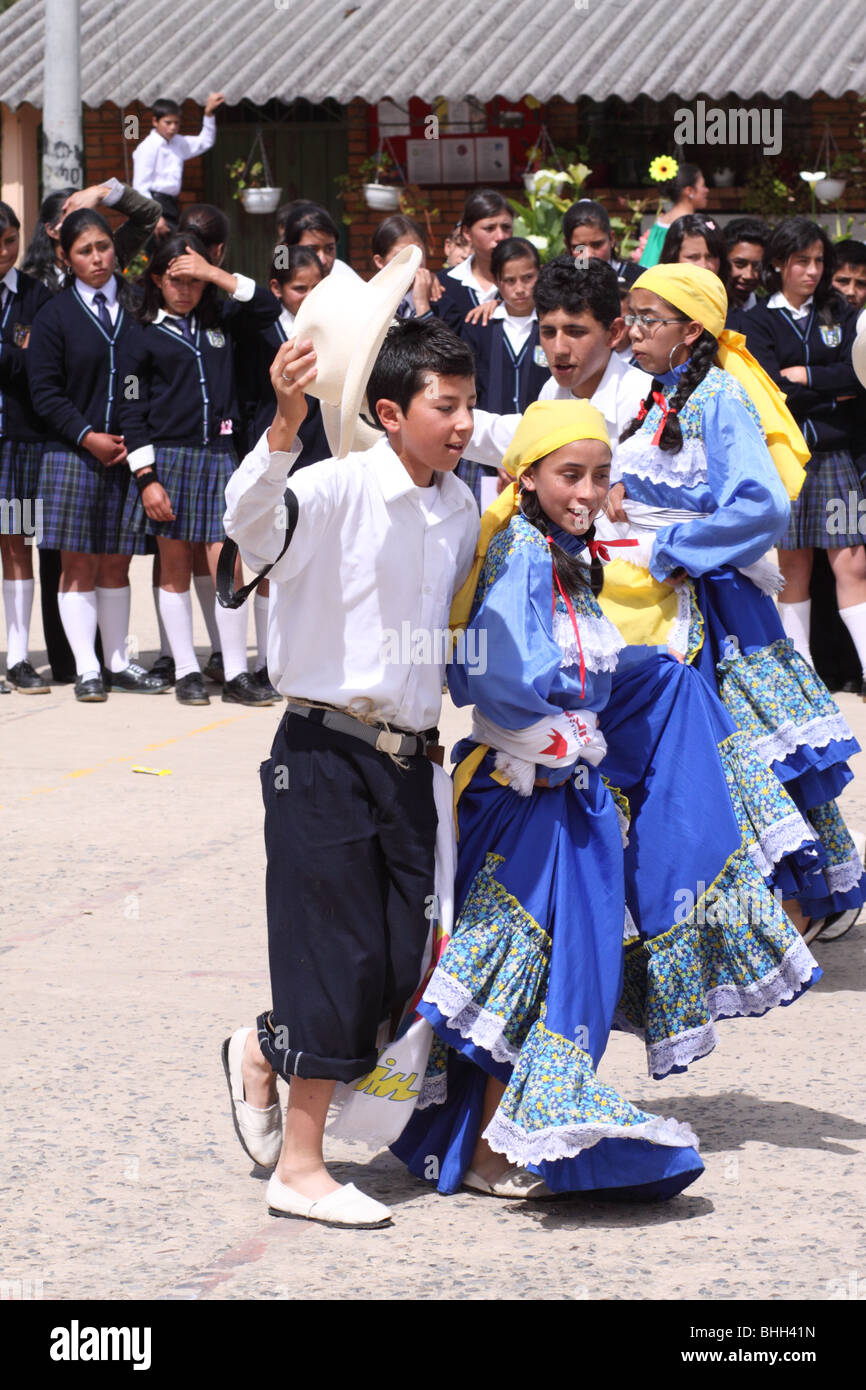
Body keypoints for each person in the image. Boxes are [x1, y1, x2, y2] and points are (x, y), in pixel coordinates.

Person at [392, 400, 705, 1199]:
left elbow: (578, 666)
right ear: (525, 478)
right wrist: (552, 734)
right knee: (517, 972)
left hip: (565, 798)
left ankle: (494, 1142)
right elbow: (489, 669)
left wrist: (642, 678)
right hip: (521, 796)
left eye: (601, 475)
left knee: (540, 975)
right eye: (571, 474)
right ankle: (284, 1058)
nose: (590, 490)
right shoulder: (525, 554)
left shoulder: (566, 552)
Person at [221, 300, 480, 1228]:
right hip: (323, 752)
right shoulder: (331, 490)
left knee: (399, 966)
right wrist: (285, 424)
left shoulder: (462, 508)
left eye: (468, 405)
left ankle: (261, 1046)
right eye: (444, 406)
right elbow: (250, 523)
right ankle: (301, 1167)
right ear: (388, 413)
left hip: (410, 763)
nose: (462, 424)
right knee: (337, 953)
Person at [595, 261, 865, 941]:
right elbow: (672, 482)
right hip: (670, 600)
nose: (633, 330)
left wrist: (672, 544)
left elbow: (763, 504)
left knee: (745, 753)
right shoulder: (657, 395)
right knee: (704, 759)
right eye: (630, 315)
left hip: (716, 606)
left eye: (649, 320)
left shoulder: (718, 398)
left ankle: (796, 902)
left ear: (690, 331)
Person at [117, 232, 281, 707]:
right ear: (156, 281)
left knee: (225, 567)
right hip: (167, 461)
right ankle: (186, 669)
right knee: (173, 568)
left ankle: (234, 672)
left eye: (194, 281)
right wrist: (146, 479)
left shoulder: (222, 321)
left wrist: (213, 273)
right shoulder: (139, 336)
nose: (185, 290)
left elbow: (267, 306)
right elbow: (130, 410)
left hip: (219, 458)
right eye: (176, 280)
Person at [26, 208, 171, 701]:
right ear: (66, 257)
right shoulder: (55, 315)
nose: (97, 258)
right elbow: (44, 392)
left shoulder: (136, 307)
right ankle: (87, 668)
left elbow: (138, 382)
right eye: (85, 251)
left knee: (116, 563)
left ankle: (117, 662)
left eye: (103, 247)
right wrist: (88, 435)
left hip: (128, 454)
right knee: (78, 566)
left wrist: (132, 439)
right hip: (71, 456)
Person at [743, 218, 866, 696]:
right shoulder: (757, 320)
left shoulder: (840, 311)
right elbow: (771, 390)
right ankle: (801, 676)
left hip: (835, 459)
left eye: (819, 261)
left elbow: (859, 377)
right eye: (802, 261)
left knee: (852, 562)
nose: (813, 271)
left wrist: (810, 378)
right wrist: (830, 389)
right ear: (779, 264)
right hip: (786, 462)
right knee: (791, 564)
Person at [462, 258, 648, 487]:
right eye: (548, 332)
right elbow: (504, 436)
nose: (558, 349)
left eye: (575, 332)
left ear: (614, 333)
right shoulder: (553, 390)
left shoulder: (646, 402)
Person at [0, 200, 53, 692]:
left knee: (17, 546)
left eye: (11, 241)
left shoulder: (36, 295)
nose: (3, 251)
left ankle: (18, 656)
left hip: (19, 443)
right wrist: (10, 351)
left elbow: (31, 365)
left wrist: (16, 355)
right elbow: (14, 356)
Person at [132, 94, 225, 236]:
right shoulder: (148, 147)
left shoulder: (178, 142)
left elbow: (205, 142)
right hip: (154, 204)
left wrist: (208, 114)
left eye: (176, 123)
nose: (173, 127)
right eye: (168, 123)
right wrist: (155, 217)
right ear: (155, 121)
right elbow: (140, 186)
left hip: (172, 205)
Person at [435, 189, 513, 330]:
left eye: (506, 227)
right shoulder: (443, 284)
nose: (500, 236)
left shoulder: (529, 283)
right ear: (467, 233)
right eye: (490, 228)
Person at [371, 214, 442, 318]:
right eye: (403, 256)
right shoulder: (367, 305)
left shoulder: (441, 304)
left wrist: (422, 305)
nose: (414, 263)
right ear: (380, 261)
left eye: (418, 253)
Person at [639, 163, 708, 268]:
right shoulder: (688, 226)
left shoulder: (662, 221)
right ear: (689, 191)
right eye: (703, 186)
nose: (706, 190)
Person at [562, 198, 641, 285]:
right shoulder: (558, 285)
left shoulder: (639, 281)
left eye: (597, 244)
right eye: (579, 248)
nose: (588, 255)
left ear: (611, 239)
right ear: (567, 245)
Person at [279, 201, 361, 284]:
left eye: (330, 249)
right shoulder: (281, 266)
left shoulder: (345, 280)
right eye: (312, 250)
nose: (323, 261)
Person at [659, 213, 730, 286]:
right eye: (692, 257)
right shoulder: (654, 295)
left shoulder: (725, 296)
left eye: (711, 256)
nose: (703, 266)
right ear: (673, 259)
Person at [724, 215, 770, 314]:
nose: (748, 275)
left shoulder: (769, 314)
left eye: (757, 266)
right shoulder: (705, 311)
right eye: (739, 264)